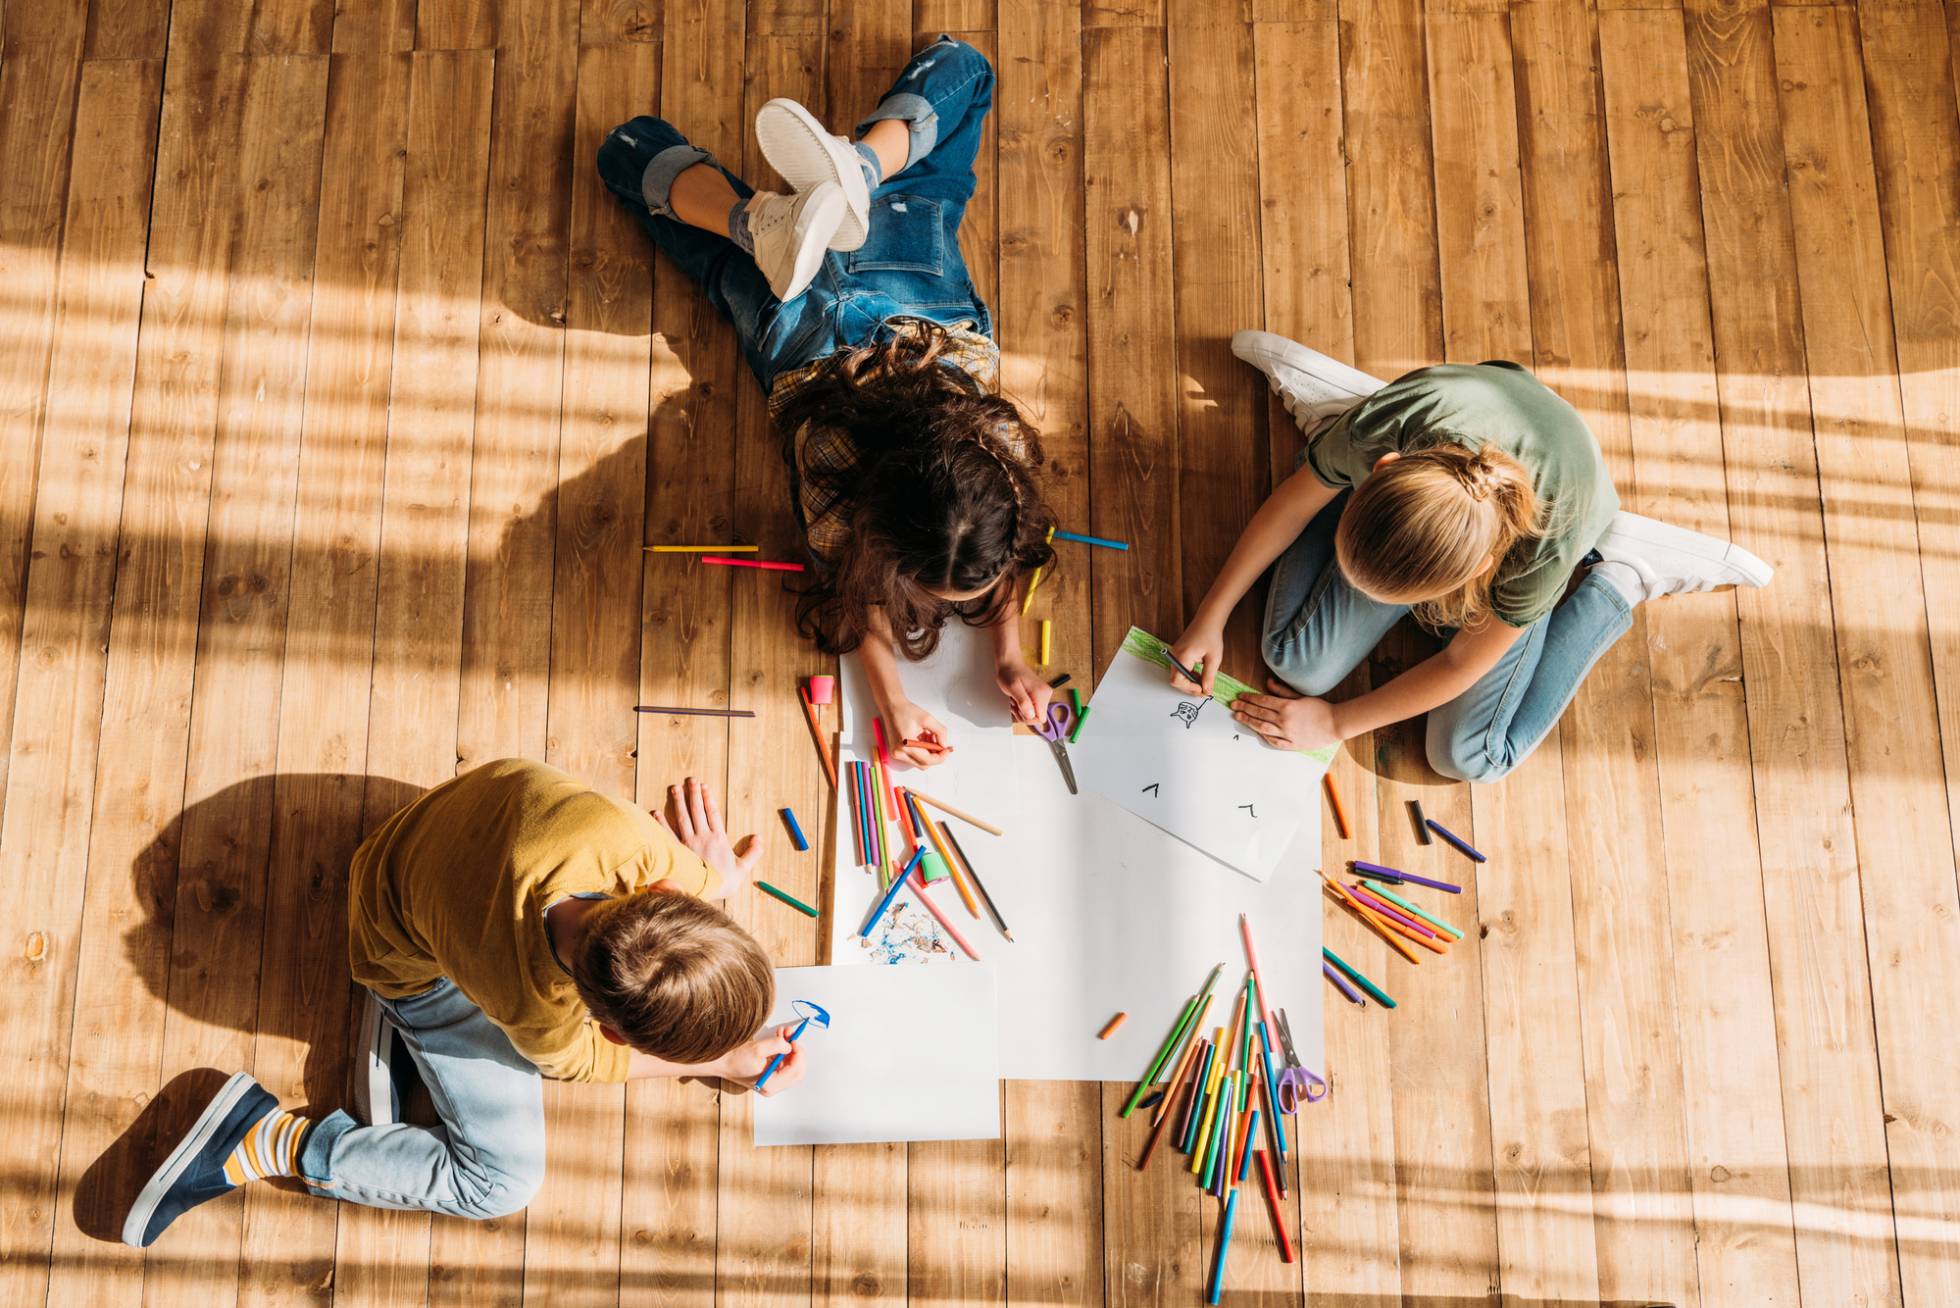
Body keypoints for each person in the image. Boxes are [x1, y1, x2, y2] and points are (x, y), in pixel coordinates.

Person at [597, 36, 1056, 769]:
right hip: (798, 319)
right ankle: (753, 223)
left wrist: (1003, 659)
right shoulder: (829, 477)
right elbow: (852, 584)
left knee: (966, 70)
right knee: (629, 155)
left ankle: (859, 173)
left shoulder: (1001, 446)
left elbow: (887, 568)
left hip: (915, 286)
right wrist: (898, 697)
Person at [122, 760, 802, 1247]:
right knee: (501, 1183)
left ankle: (408, 1052)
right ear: (612, 1030)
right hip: (395, 952)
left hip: (418, 843)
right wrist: (720, 1061)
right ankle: (269, 1139)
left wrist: (718, 877)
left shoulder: (627, 840)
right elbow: (588, 1063)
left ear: (667, 894)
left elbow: (689, 880)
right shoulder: (535, 1014)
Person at [1170, 332, 1773, 782]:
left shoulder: (1534, 556)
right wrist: (1210, 615)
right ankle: (1335, 425)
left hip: (1557, 512)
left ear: (1478, 576)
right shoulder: (1392, 431)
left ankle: (1621, 580)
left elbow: (1460, 663)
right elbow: (1292, 506)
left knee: (1470, 758)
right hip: (1445, 431)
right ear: (1382, 471)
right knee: (1295, 661)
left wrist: (1336, 723)